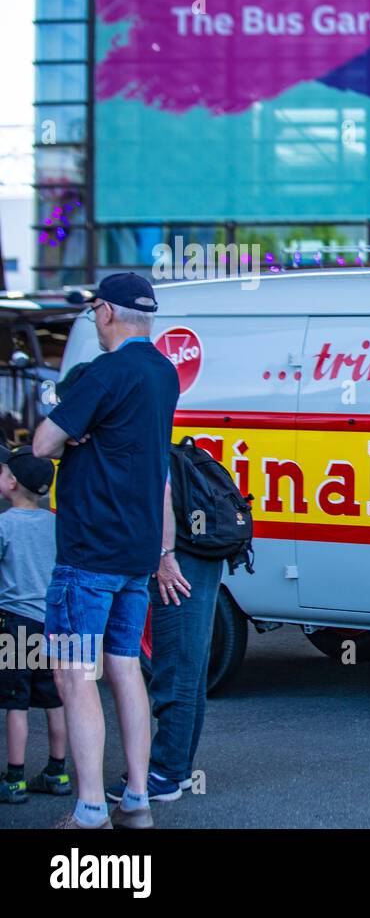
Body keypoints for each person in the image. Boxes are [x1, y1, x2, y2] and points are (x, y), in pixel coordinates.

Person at [32, 272, 180, 830]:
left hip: (88, 550)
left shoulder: (104, 372)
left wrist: (71, 431)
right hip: (136, 554)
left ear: (108, 312)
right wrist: (164, 548)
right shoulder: (163, 374)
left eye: (95, 308)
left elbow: (43, 442)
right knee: (123, 667)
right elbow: (154, 464)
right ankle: (137, 798)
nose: (94, 318)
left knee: (74, 674)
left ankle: (91, 806)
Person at [105, 475, 224, 805]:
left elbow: (162, 493)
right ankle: (178, 768)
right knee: (190, 673)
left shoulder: (148, 448)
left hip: (179, 563)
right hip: (201, 558)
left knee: (174, 672)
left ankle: (166, 773)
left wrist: (163, 555)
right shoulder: (172, 452)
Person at [0, 446, 69, 805]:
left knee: (17, 702)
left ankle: (13, 779)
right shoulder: (56, 523)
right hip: (55, 623)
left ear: (11, 482)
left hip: (16, 626)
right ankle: (57, 772)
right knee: (56, 699)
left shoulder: (4, 525)